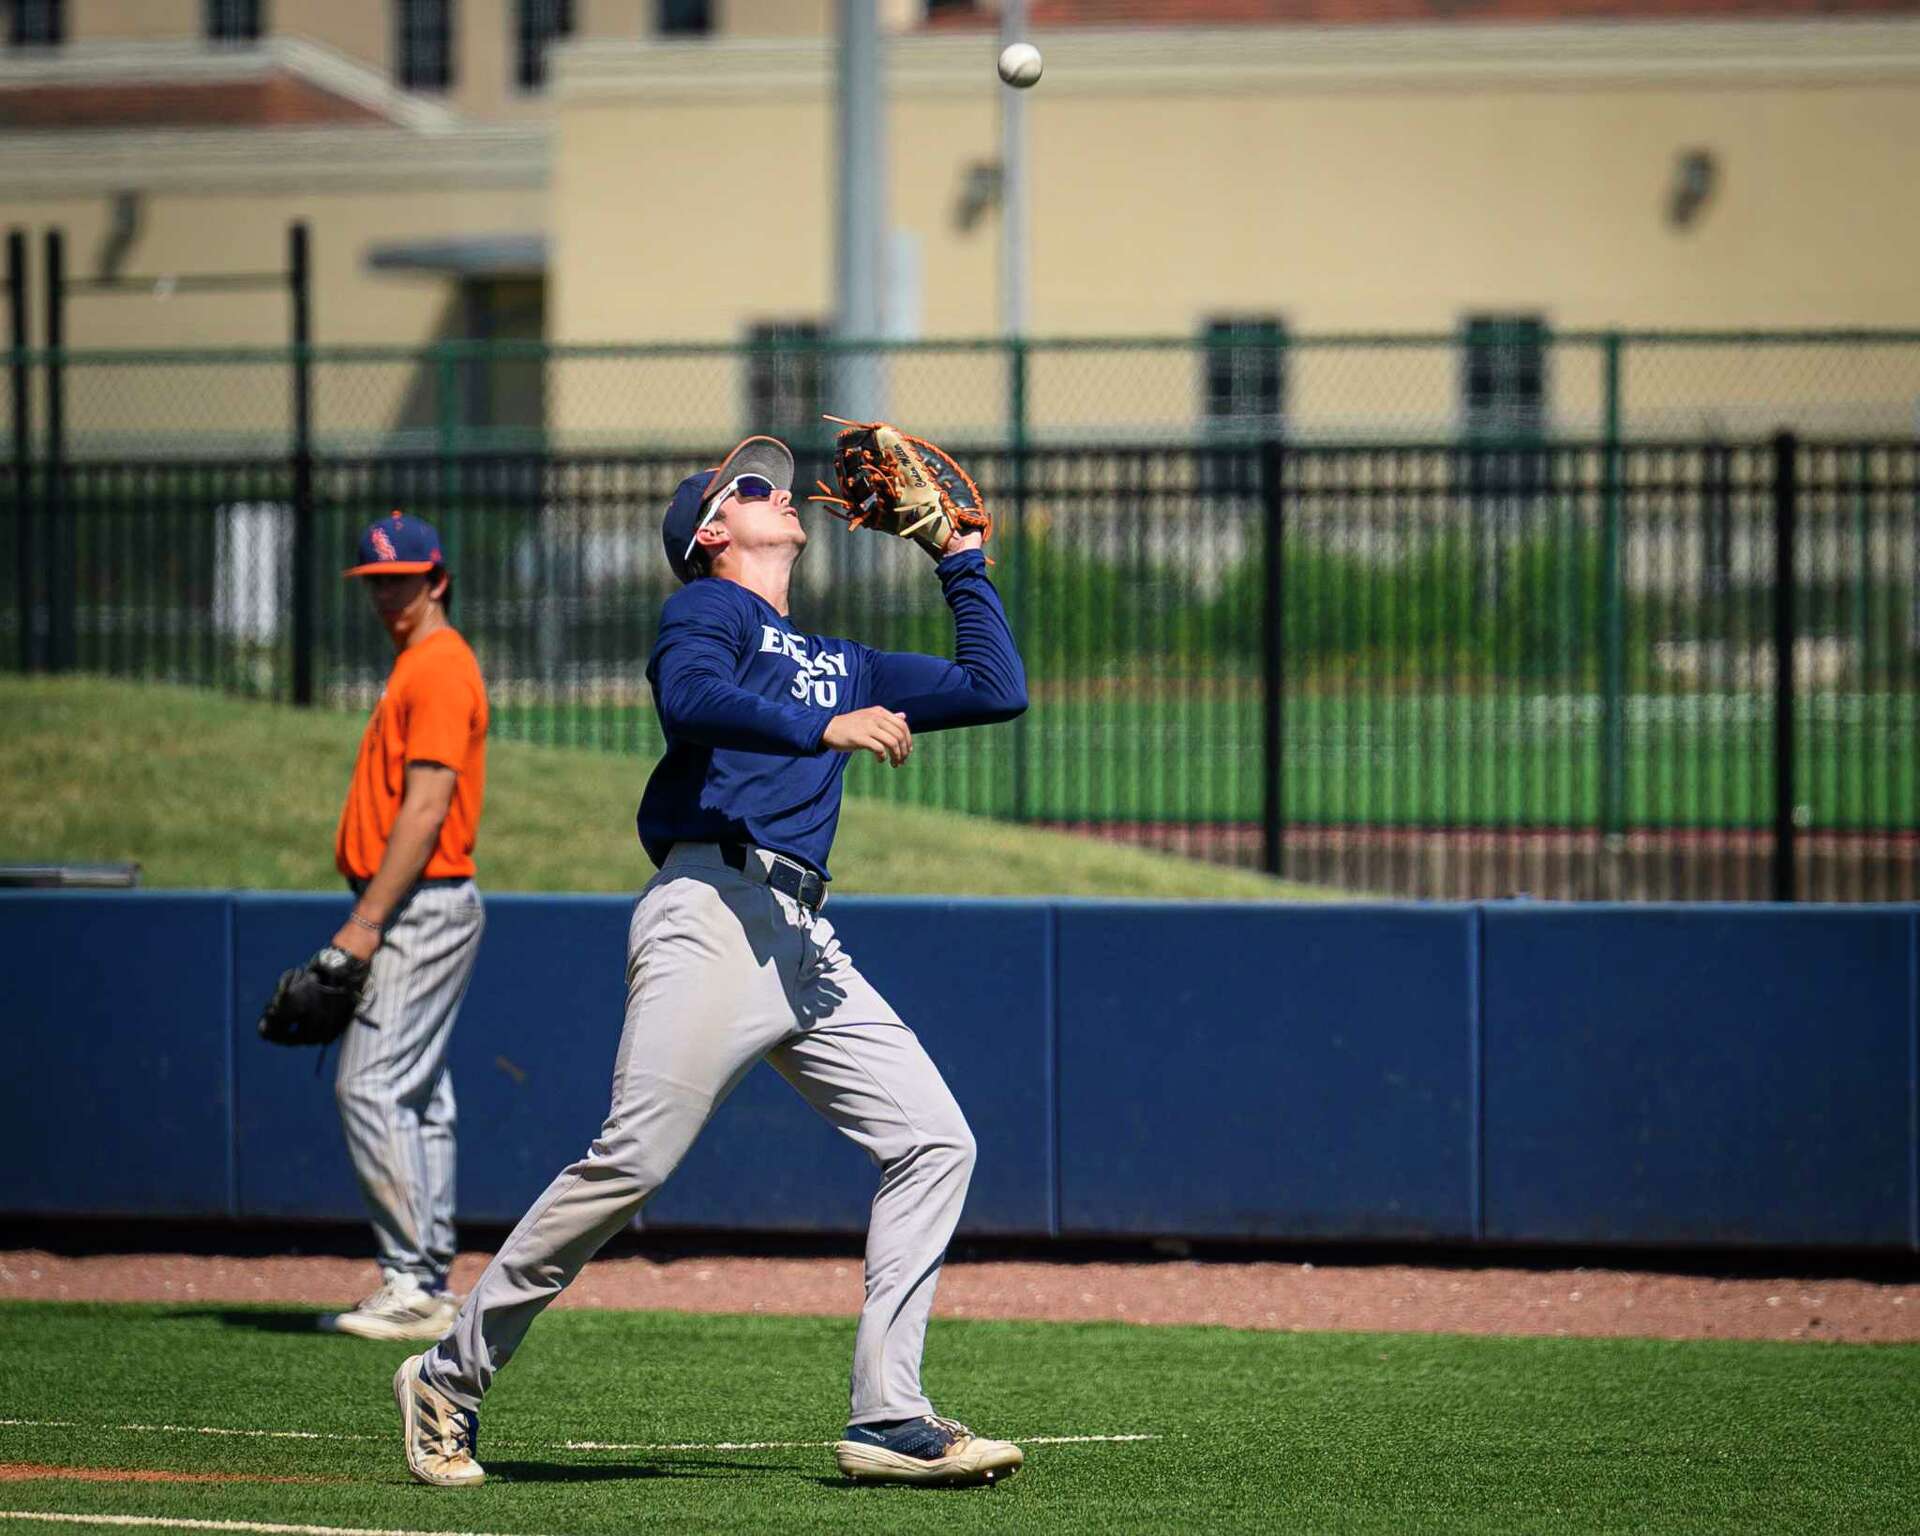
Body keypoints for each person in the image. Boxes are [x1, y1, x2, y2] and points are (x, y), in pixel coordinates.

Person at [392, 435, 1029, 1488]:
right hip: (713, 909)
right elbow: (687, 703)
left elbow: (994, 687)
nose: (781, 492)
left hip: (801, 939)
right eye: (751, 488)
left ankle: (889, 1415)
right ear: (712, 532)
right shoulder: (709, 612)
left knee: (935, 1141)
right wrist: (824, 725)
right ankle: (448, 1378)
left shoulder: (845, 657)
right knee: (632, 1161)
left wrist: (959, 557)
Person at [320, 512, 490, 1342]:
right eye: (377, 581)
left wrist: (364, 922)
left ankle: (414, 1280)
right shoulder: (418, 664)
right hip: (419, 901)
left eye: (405, 579)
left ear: (438, 580)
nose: (390, 593)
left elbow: (425, 811)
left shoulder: (440, 668)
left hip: (420, 901)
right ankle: (425, 1279)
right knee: (417, 1095)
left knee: (370, 1084)